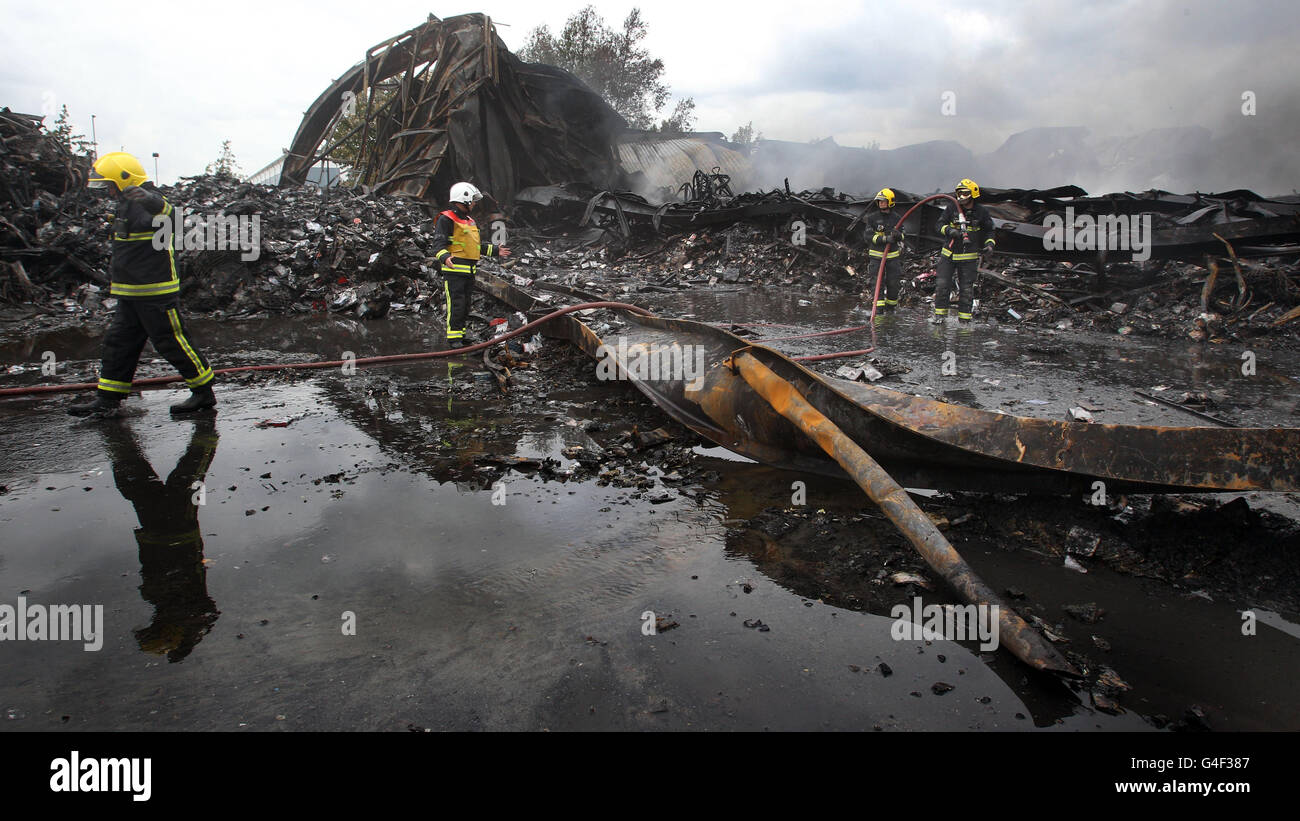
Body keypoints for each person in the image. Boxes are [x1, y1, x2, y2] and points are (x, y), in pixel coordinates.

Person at [68, 152, 215, 417]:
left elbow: (174, 220)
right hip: (130, 292)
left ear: (125, 179)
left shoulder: (148, 201)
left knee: (171, 342)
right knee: (119, 344)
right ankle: (107, 399)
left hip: (154, 292)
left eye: (110, 185)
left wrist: (152, 202)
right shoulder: (126, 203)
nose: (109, 192)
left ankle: (204, 391)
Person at [431, 182, 510, 348]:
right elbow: (438, 244)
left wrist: (496, 251)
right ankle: (454, 340)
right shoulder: (446, 219)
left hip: (469, 272)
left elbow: (475, 247)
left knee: (466, 306)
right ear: (464, 198)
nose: (474, 204)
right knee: (456, 305)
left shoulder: (469, 221)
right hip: (454, 273)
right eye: (473, 200)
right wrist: (445, 257)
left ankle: (461, 335)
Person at [932, 178, 996, 323]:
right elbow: (938, 225)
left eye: (965, 193)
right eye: (959, 193)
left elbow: (990, 231)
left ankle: (964, 321)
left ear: (972, 194)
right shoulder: (951, 208)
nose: (961, 196)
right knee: (942, 286)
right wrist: (949, 230)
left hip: (968, 258)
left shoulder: (981, 212)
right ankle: (939, 317)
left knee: (966, 290)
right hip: (948, 255)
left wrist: (990, 245)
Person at [865, 188, 904, 313]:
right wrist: (884, 239)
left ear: (890, 202)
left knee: (893, 284)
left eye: (884, 201)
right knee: (877, 284)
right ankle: (878, 311)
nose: (881, 203)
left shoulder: (897, 218)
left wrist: (898, 236)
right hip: (876, 258)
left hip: (892, 257)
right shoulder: (872, 218)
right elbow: (868, 236)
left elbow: (903, 234)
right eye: (879, 201)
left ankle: (891, 309)